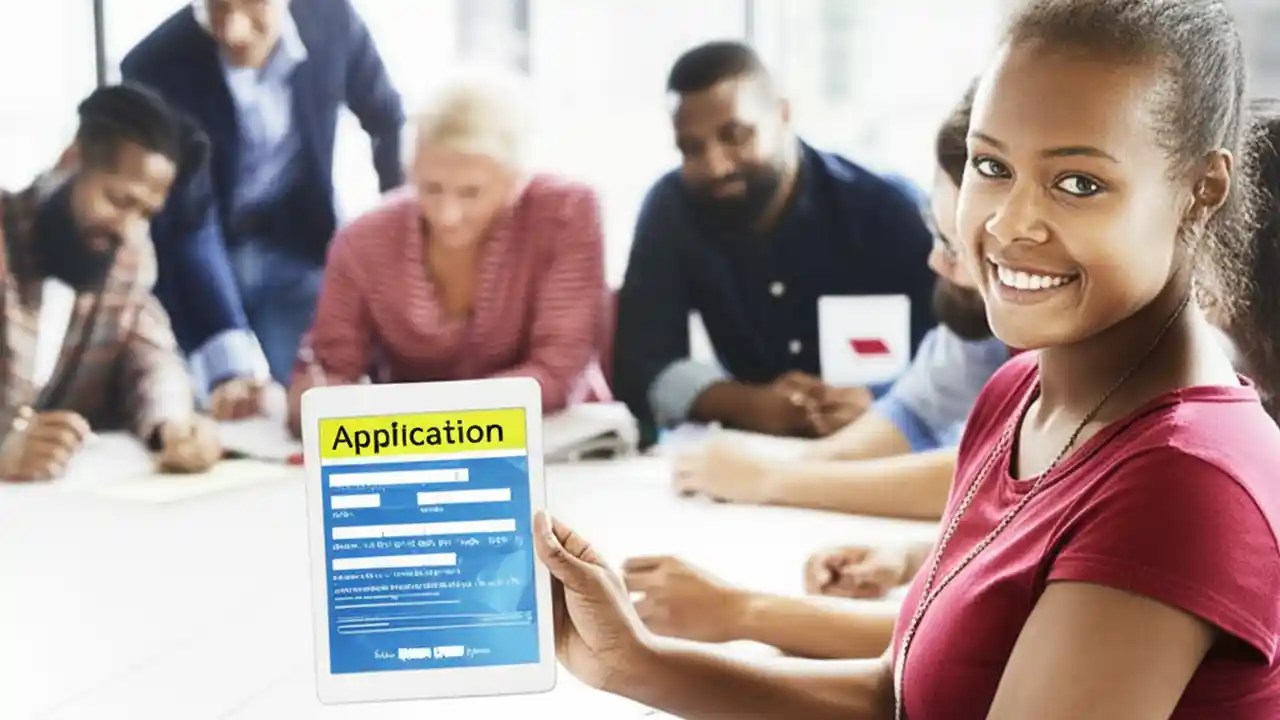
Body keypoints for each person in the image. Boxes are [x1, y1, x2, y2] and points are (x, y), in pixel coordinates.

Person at [533, 1, 1280, 716]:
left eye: (1077, 183)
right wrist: (631, 664)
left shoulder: (1186, 483)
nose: (1008, 222)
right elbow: (900, 696)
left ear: (1199, 191)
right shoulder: (1019, 392)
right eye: (991, 168)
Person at [674, 83, 1010, 522]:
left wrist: (771, 482)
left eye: (958, 247)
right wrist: (777, 468)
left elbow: (998, 480)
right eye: (938, 234)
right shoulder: (976, 315)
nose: (937, 261)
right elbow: (916, 411)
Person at [613, 41, 938, 447]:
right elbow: (641, 364)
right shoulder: (671, 207)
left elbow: (964, 354)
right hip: (754, 454)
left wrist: (882, 398)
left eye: (735, 136)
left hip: (888, 444)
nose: (715, 165)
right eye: (692, 149)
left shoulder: (885, 206)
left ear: (782, 115)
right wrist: (747, 404)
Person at [120, 0, 405, 413]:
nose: (233, 31)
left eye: (251, 7)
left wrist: (401, 233)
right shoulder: (153, 67)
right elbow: (188, 219)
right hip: (196, 260)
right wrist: (229, 360)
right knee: (210, 408)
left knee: (317, 405)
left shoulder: (331, 18)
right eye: (217, 9)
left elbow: (387, 121)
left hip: (295, 246)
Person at [285, 73, 606, 433]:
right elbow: (325, 376)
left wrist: (414, 417)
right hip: (417, 450)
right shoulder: (363, 242)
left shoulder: (566, 214)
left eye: (471, 192)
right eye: (431, 188)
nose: (447, 214)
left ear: (515, 182)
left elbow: (557, 372)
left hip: (560, 445)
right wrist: (317, 398)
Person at [0, 85, 223, 482]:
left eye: (145, 213)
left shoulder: (127, 258)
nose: (128, 227)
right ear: (70, 160)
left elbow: (152, 359)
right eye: (119, 200)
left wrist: (172, 425)